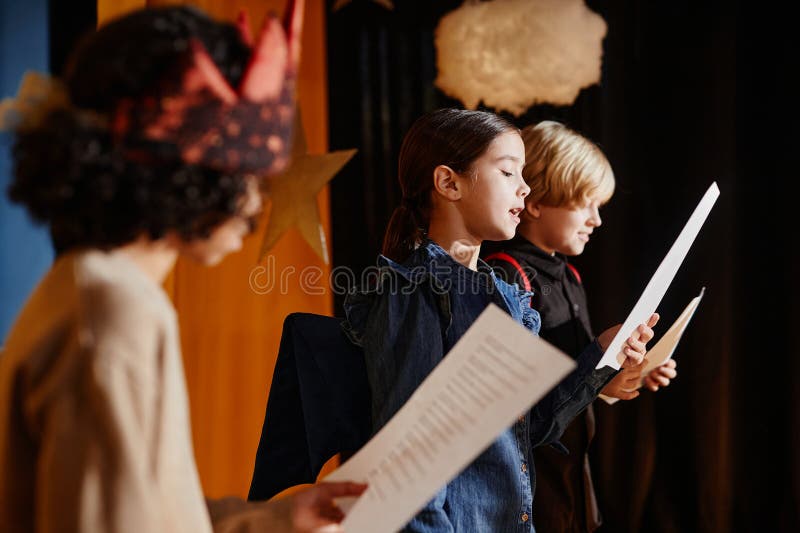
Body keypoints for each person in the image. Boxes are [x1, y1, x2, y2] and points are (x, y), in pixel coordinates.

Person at [0, 4, 364, 532]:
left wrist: (272, 520)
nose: (257, 204)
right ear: (191, 165)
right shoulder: (112, 314)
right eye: (247, 173)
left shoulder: (92, 290)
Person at [341, 108, 657, 532]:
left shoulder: (507, 297)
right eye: (509, 173)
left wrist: (601, 356)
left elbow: (530, 428)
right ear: (449, 183)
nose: (525, 190)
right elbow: (406, 471)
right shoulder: (414, 292)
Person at [483, 120, 678, 532]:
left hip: (575, 486)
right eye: (585, 204)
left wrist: (629, 373)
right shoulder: (507, 277)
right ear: (535, 203)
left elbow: (576, 378)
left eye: (600, 207)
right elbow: (523, 413)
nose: (597, 220)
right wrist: (597, 361)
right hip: (532, 495)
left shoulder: (570, 278)